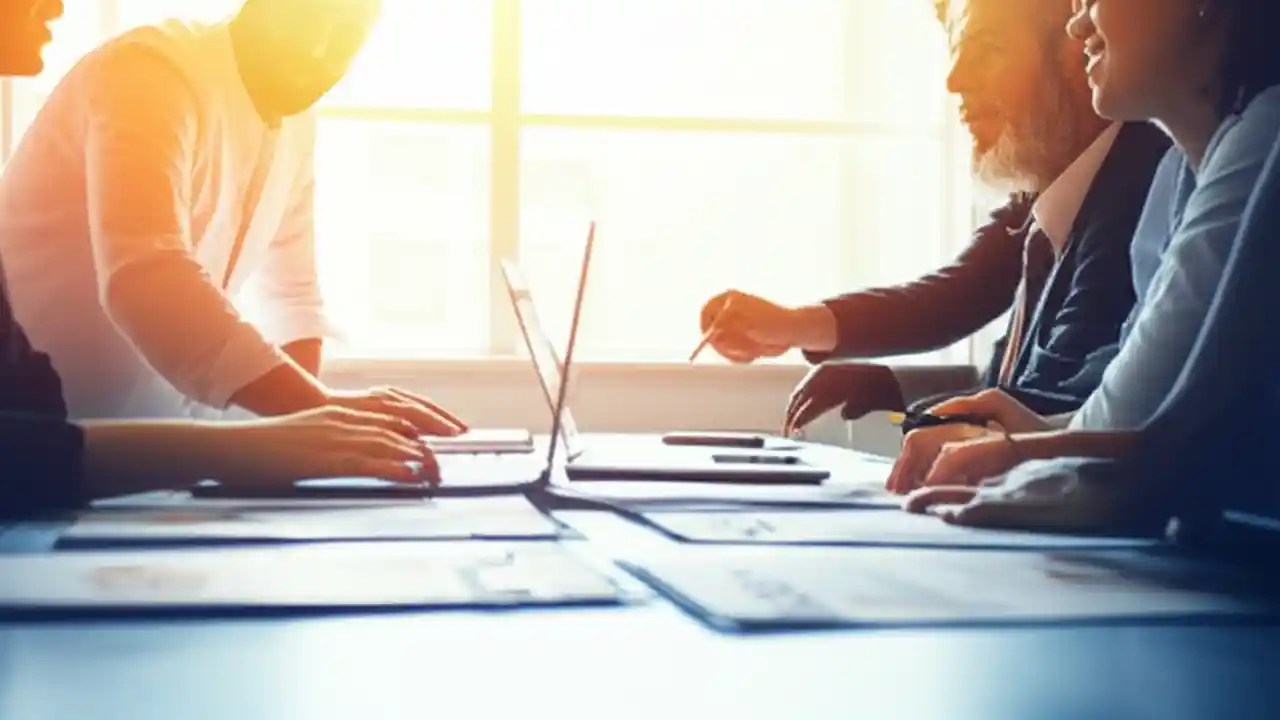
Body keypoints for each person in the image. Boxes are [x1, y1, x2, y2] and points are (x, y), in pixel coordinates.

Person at [0, 0, 439, 518]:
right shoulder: (149, 71)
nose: (321, 51)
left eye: (346, 39)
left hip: (152, 466)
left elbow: (293, 299)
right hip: (45, 456)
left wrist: (317, 438)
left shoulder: (295, 121)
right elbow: (146, 279)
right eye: (308, 23)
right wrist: (319, 409)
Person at [699, 0, 1169, 435]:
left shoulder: (1138, 192)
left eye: (985, 51)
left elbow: (1048, 397)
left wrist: (913, 414)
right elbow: (957, 294)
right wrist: (797, 328)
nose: (954, 80)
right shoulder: (1056, 194)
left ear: (1075, 49)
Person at [892, 0, 1280, 510]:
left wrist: (1020, 454)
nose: (1076, 26)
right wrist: (1031, 432)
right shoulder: (1175, 178)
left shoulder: (1265, 135)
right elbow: (1133, 420)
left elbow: (1156, 446)